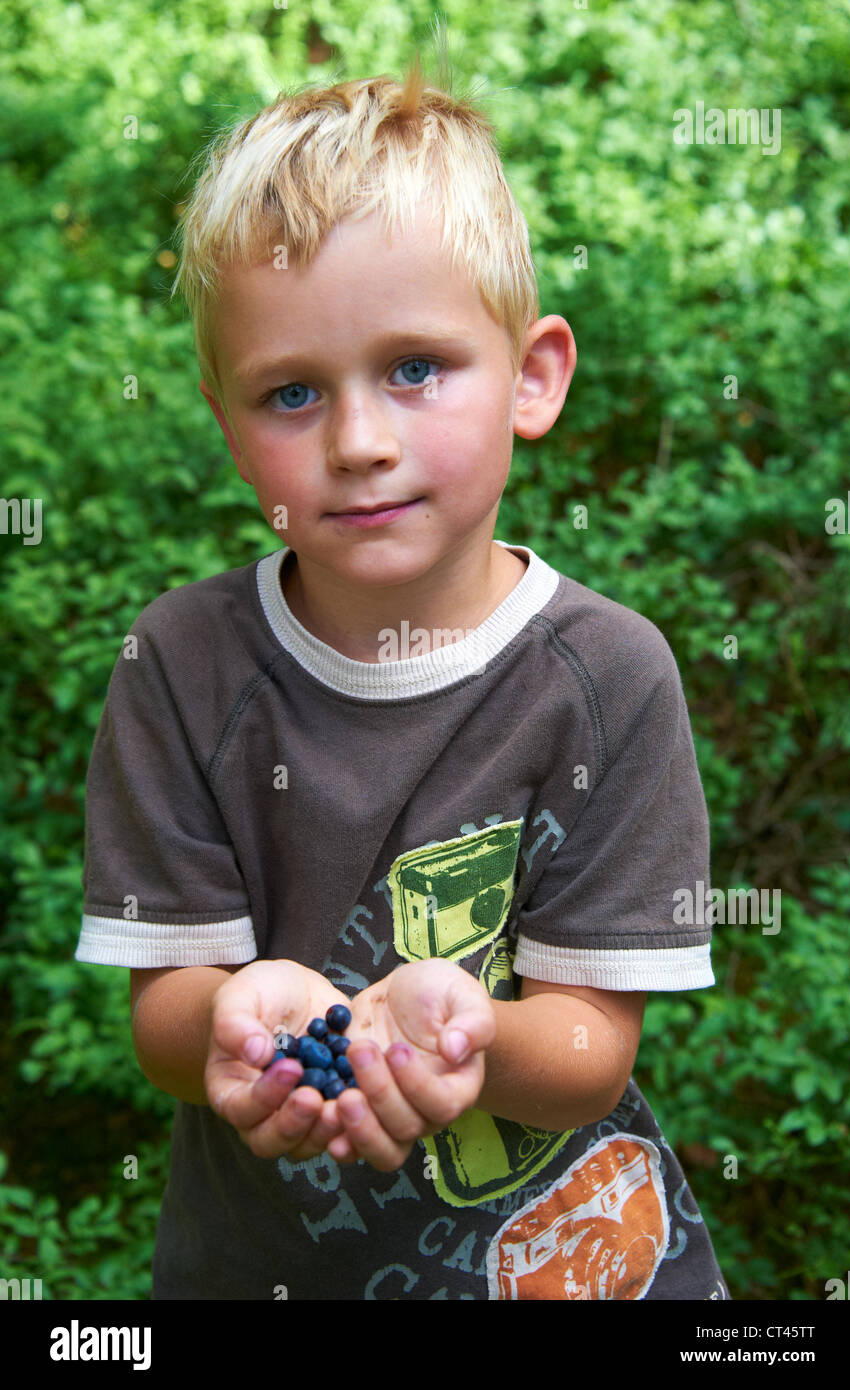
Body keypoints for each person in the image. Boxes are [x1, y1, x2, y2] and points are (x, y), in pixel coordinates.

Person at [75, 60, 730, 1301]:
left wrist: (467, 1038)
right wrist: (233, 1016)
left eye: (416, 367)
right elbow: (164, 1008)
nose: (360, 440)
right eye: (292, 391)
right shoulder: (179, 665)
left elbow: (589, 1043)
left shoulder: (606, 675)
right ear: (227, 423)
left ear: (532, 376)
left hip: (558, 1263)